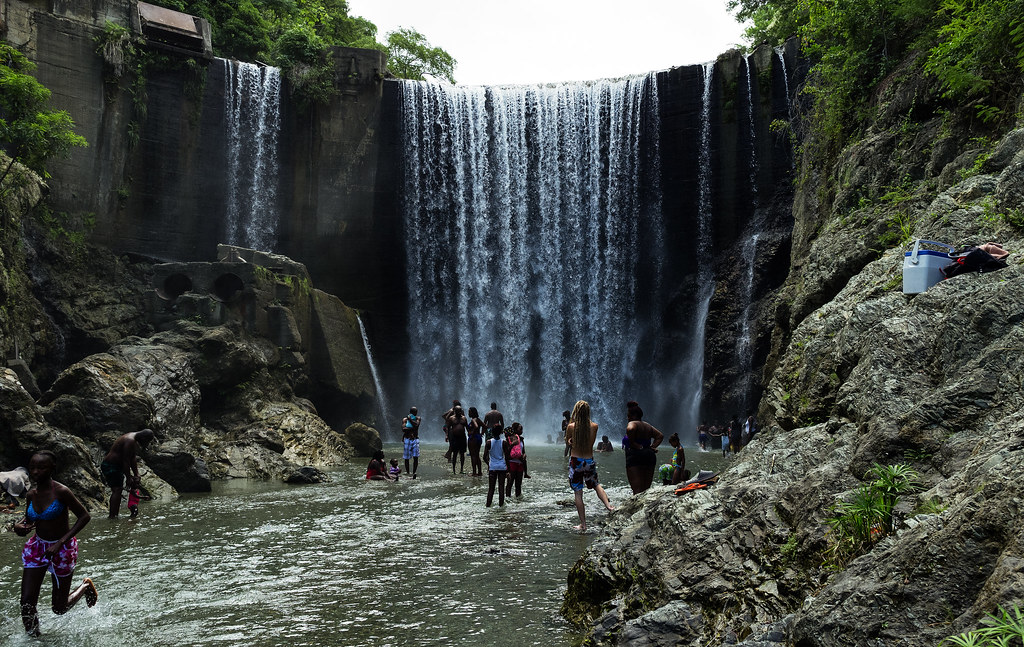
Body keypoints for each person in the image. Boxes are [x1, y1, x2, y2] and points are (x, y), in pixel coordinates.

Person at [14, 451, 98, 636]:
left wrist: (60, 542)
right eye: (32, 467)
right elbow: (30, 520)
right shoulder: (31, 494)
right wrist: (19, 526)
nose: (35, 472)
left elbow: (84, 516)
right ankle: (35, 639)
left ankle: (85, 587)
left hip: (63, 548)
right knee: (27, 602)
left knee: (59, 608)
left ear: (52, 468)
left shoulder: (62, 492)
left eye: (41, 467)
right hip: (38, 548)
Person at [565, 400, 614, 531]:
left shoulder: (571, 427)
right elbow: (590, 442)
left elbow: (568, 442)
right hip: (589, 460)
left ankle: (583, 524)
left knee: (578, 492)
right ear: (588, 412)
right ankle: (609, 506)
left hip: (576, 461)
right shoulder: (594, 426)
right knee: (596, 484)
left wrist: (569, 441)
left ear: (576, 411)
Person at [100, 429, 155, 519]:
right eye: (147, 441)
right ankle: (112, 516)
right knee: (117, 490)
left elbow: (132, 458)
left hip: (117, 466)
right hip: (111, 465)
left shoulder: (133, 440)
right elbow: (126, 460)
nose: (146, 444)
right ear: (143, 438)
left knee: (118, 490)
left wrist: (136, 474)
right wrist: (128, 478)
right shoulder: (130, 440)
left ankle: (115, 515)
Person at [624, 401, 664, 495]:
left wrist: (634, 443)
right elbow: (660, 436)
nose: (627, 418)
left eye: (628, 416)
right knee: (646, 488)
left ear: (634, 415)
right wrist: (652, 447)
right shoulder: (647, 425)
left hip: (635, 455)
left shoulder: (632, 423)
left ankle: (636, 504)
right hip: (649, 455)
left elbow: (630, 429)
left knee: (636, 489)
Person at [484, 426, 510, 507]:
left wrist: (489, 464)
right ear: (501, 432)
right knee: (501, 488)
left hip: (493, 467)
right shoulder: (504, 442)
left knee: (491, 489)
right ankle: (501, 506)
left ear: (492, 432)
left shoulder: (488, 442)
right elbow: (507, 457)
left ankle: (488, 506)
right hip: (502, 467)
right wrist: (508, 470)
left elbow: (484, 457)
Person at [505, 422, 531, 498]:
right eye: (520, 429)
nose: (522, 431)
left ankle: (518, 499)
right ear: (515, 430)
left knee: (518, 484)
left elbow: (523, 451)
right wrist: (512, 444)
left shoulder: (521, 440)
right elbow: (506, 453)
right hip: (512, 463)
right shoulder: (508, 439)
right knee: (510, 483)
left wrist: (524, 455)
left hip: (520, 463)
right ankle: (507, 499)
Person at [445, 406, 469, 474]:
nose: (459, 412)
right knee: (455, 453)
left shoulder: (464, 418)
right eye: (458, 411)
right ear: (455, 411)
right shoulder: (451, 418)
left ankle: (461, 469)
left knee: (462, 454)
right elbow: (448, 427)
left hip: (462, 437)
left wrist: (470, 434)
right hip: (454, 437)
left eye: (460, 410)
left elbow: (467, 427)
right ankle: (454, 470)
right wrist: (447, 436)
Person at [402, 406, 421, 478]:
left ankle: (414, 472)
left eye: (416, 412)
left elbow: (417, 425)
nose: (415, 413)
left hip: (415, 439)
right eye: (414, 412)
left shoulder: (418, 418)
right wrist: (413, 429)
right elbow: (403, 429)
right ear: (411, 412)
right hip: (407, 439)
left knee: (416, 456)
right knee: (406, 457)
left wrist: (410, 420)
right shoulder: (405, 419)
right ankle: (408, 472)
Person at [467, 407, 485, 477]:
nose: (468, 413)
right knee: (477, 455)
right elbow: (485, 426)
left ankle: (474, 472)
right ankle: (479, 472)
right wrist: (481, 433)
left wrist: (472, 433)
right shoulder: (478, 419)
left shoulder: (473, 420)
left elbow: (476, 426)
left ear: (472, 412)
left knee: (473, 455)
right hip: (478, 438)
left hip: (473, 438)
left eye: (469, 412)